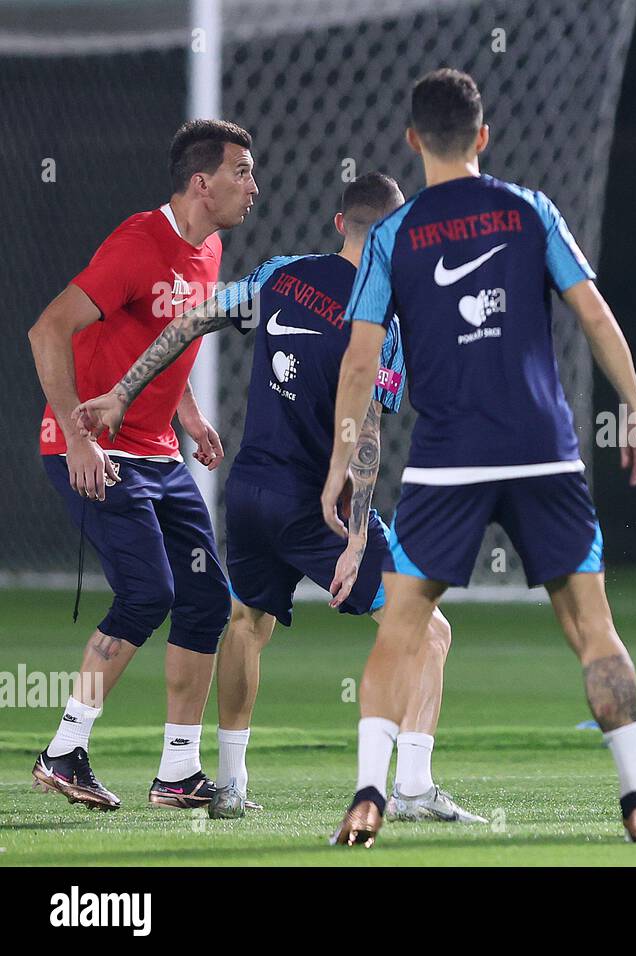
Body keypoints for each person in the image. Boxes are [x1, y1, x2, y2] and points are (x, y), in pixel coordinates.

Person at [323, 68, 636, 847]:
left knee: (400, 628)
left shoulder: (392, 235)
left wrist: (340, 465)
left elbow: (359, 364)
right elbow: (594, 313)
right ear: (483, 135)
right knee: (593, 627)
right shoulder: (531, 210)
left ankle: (369, 795)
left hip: (448, 461)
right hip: (543, 452)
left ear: (413, 140)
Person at [73, 173, 482, 825]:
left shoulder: (280, 275)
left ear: (338, 222)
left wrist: (123, 392)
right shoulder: (383, 311)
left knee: (247, 624)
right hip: (316, 504)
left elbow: (189, 321)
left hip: (249, 491)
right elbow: (366, 431)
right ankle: (412, 786)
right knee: (430, 630)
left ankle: (230, 783)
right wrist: (355, 537)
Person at [28, 120, 256, 811]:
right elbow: (47, 328)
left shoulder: (210, 247)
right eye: (242, 171)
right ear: (201, 182)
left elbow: (168, 339)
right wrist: (77, 439)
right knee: (148, 592)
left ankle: (177, 772)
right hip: (96, 450)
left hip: (158, 452)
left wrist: (188, 414)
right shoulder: (137, 243)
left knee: (206, 598)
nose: (253, 185)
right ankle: (63, 750)